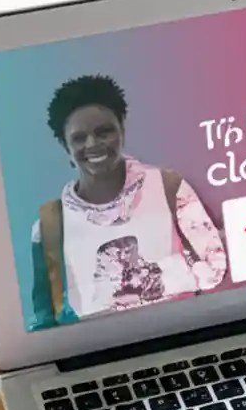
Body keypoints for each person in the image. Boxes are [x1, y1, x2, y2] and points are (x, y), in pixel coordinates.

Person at [28, 74, 227, 330]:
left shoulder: (169, 187)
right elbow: (45, 321)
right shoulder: (49, 227)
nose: (92, 144)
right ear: (64, 145)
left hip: (182, 332)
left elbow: (215, 270)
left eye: (104, 132)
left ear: (121, 128)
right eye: (79, 138)